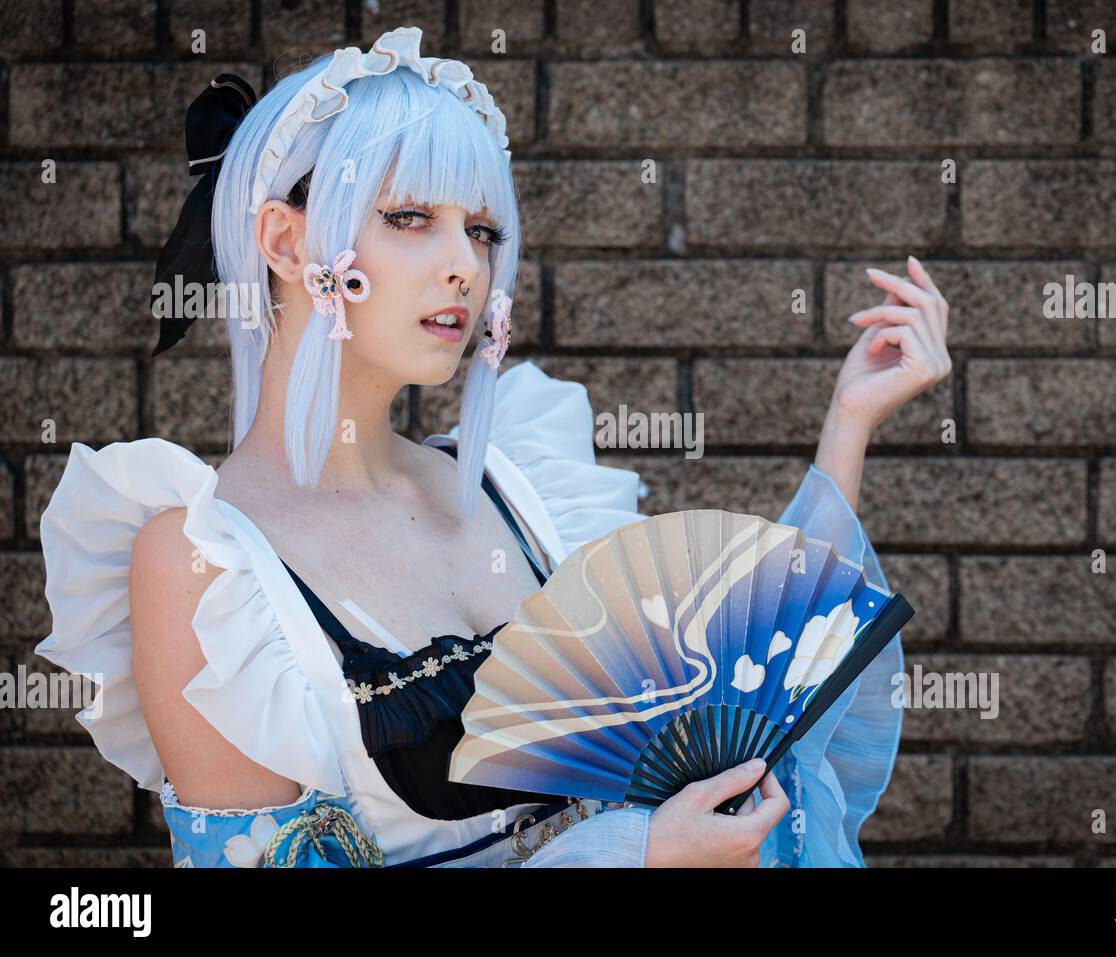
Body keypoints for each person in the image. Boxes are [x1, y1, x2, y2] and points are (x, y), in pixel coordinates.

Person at [34, 27, 951, 867]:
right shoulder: (206, 569)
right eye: (409, 218)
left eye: (481, 230)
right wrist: (629, 855)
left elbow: (753, 688)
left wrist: (849, 424)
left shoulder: (520, 485)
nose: (464, 265)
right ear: (283, 238)